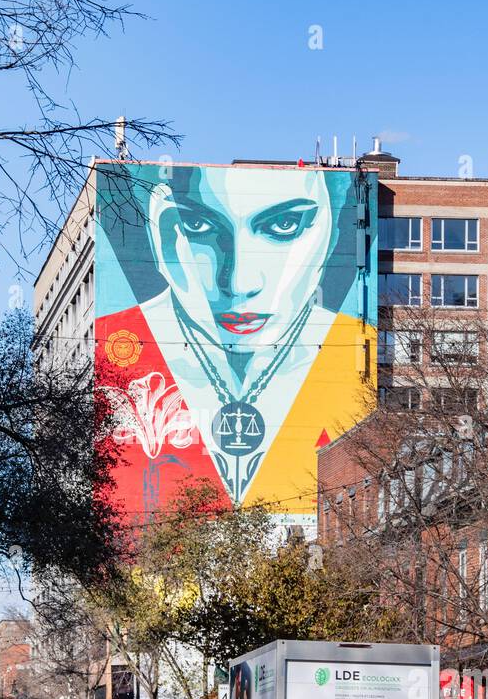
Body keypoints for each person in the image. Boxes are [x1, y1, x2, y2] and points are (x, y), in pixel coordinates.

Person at [97, 164, 367, 513]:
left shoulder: (352, 345)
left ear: (331, 236)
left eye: (285, 225)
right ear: (164, 234)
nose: (239, 282)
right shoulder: (118, 340)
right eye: (199, 226)